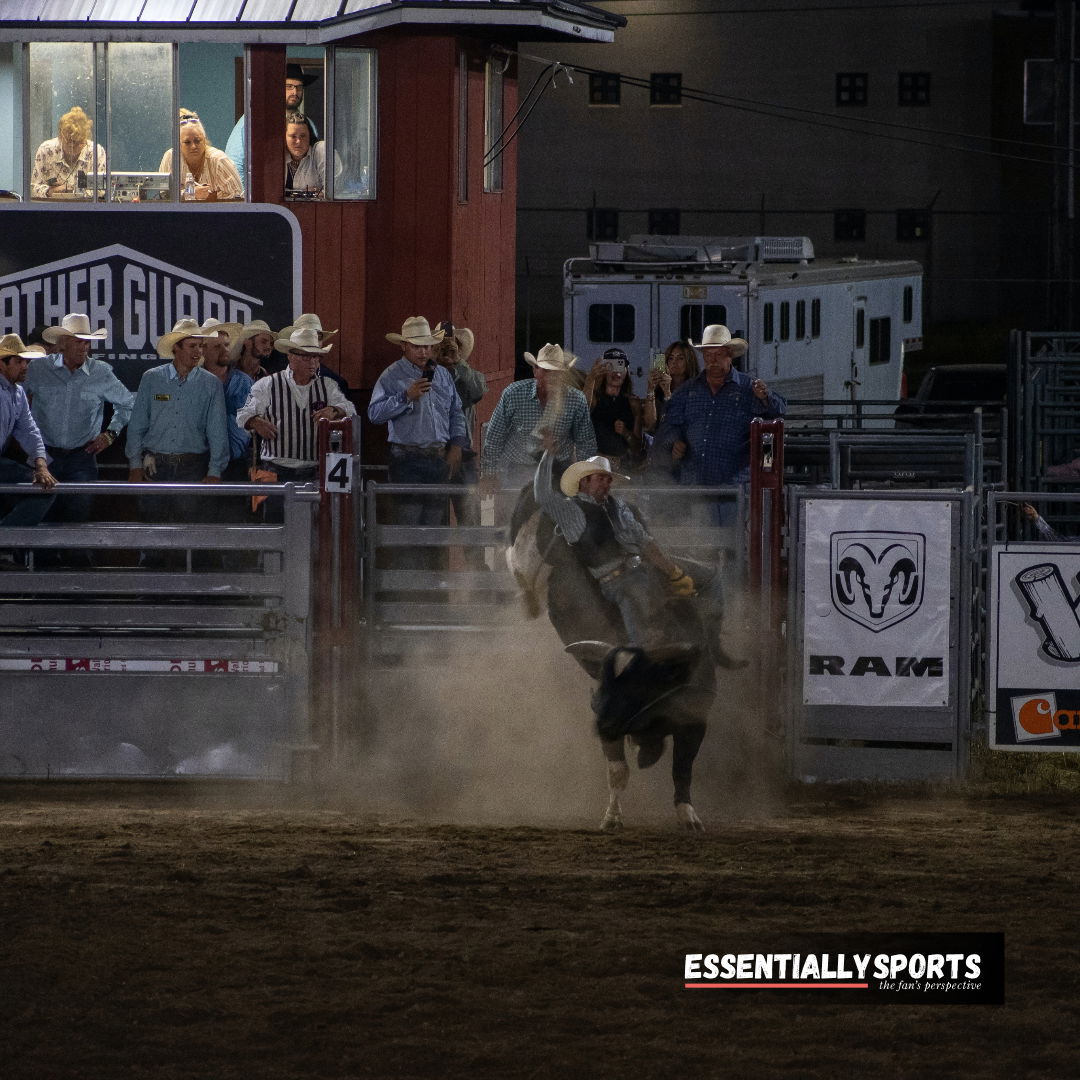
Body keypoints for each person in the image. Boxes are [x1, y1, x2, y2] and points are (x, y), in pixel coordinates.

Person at [532, 444, 695, 648]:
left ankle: (694, 639)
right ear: (584, 481)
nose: (607, 484)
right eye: (601, 478)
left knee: (684, 596)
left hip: (639, 570)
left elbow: (644, 541)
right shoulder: (572, 512)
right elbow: (543, 495)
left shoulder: (618, 507)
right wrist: (548, 455)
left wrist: (674, 573)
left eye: (609, 479)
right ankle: (641, 645)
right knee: (632, 594)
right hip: (615, 580)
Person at [367, 317, 468, 577]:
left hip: (437, 458)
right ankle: (409, 593)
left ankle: (429, 595)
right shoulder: (391, 376)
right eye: (417, 346)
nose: (423, 351)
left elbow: (457, 412)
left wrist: (456, 445)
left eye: (427, 346)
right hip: (407, 460)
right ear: (404, 346)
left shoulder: (443, 374)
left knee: (434, 531)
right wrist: (405, 397)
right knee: (410, 529)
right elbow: (374, 414)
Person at [25, 312, 135, 541]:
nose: (84, 347)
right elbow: (16, 402)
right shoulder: (37, 369)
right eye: (79, 341)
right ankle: (43, 572)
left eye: (87, 342)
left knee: (79, 522)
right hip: (44, 456)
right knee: (41, 521)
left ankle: (76, 569)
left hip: (82, 457)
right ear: (63, 344)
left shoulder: (100, 371)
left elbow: (128, 404)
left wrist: (111, 434)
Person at [659, 324, 785, 502]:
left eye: (718, 354)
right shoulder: (687, 391)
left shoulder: (749, 387)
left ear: (730, 355)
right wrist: (675, 441)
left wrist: (765, 397)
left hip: (735, 486)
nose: (713, 360)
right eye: (708, 355)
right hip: (694, 485)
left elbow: (779, 410)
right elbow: (671, 424)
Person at [236, 326, 355, 496]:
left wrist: (335, 410)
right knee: (276, 520)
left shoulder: (328, 385)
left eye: (316, 356)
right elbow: (242, 415)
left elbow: (350, 409)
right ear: (290, 356)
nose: (313, 362)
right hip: (274, 469)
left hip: (314, 470)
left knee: (311, 520)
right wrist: (254, 421)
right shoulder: (268, 384)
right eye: (306, 357)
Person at [127, 319, 229, 487]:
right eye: (192, 346)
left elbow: (217, 431)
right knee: (153, 514)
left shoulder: (211, 384)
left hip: (193, 466)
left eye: (200, 346)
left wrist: (215, 471)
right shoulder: (152, 379)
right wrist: (135, 465)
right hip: (154, 465)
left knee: (189, 514)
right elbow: (137, 425)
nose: (198, 351)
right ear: (176, 347)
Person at [480, 343, 597, 491]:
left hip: (558, 471)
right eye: (547, 371)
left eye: (558, 372)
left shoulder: (576, 399)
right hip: (517, 468)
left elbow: (585, 442)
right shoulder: (513, 393)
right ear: (536, 371)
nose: (553, 377)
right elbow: (495, 435)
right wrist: (489, 473)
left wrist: (585, 476)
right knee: (512, 511)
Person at [434, 320, 487, 570]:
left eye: (452, 348)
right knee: (434, 520)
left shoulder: (466, 375)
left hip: (463, 456)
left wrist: (457, 362)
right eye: (442, 348)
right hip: (433, 455)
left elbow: (478, 390)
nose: (446, 353)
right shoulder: (426, 374)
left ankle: (477, 575)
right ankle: (436, 576)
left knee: (471, 519)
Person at [0, 335, 56, 546]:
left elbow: (29, 430)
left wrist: (40, 464)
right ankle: (6, 544)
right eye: (19, 361)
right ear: (2, 364)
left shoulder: (18, 392)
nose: (25, 366)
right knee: (42, 492)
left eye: (26, 361)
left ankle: (5, 543)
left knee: (42, 490)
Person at [226, 63, 319, 190]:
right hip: (262, 194)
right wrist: (247, 198)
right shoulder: (254, 118)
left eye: (299, 87)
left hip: (302, 198)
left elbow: (314, 161)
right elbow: (234, 162)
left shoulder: (308, 124)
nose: (295, 92)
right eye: (289, 86)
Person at [199, 319, 253, 484]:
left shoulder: (245, 382)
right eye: (217, 346)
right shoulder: (195, 382)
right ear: (204, 351)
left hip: (238, 463)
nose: (225, 350)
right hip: (201, 462)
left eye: (226, 345)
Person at [159, 110, 243, 203]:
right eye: (187, 142)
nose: (194, 146)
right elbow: (164, 195)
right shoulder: (171, 158)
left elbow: (238, 198)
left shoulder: (220, 160)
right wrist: (190, 193)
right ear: (178, 144)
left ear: (204, 140)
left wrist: (211, 199)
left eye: (197, 140)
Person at [583, 347, 643, 470]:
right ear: (604, 370)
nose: (617, 373)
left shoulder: (632, 402)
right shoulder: (594, 399)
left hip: (624, 466)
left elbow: (637, 448)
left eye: (620, 366)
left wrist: (626, 433)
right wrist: (591, 379)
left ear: (626, 371)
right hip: (595, 464)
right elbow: (580, 412)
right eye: (611, 367)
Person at [31, 106, 106, 200]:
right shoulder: (46, 150)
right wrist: (50, 191)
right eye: (70, 143)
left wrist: (73, 193)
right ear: (60, 137)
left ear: (85, 138)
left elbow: (101, 190)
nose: (74, 147)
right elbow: (34, 189)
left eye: (79, 143)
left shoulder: (96, 152)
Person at [643, 340, 699, 436]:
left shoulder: (695, 389)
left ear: (689, 361)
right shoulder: (659, 390)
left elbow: (680, 424)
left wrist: (668, 393)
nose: (674, 362)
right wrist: (650, 390)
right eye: (671, 358)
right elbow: (650, 425)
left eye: (680, 358)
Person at [284, 112, 326, 197]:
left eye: (303, 136)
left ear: (310, 136)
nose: (298, 141)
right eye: (293, 136)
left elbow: (336, 191)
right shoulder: (277, 154)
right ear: (284, 137)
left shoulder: (321, 150)